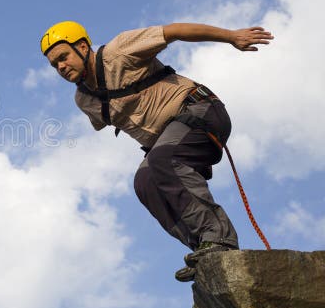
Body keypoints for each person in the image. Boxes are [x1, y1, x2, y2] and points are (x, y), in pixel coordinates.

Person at [40, 21, 273, 281]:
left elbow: (174, 31)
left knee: (163, 160)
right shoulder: (84, 100)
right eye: (54, 64)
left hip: (201, 111)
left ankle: (218, 236)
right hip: (173, 140)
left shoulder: (120, 51)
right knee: (145, 181)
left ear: (82, 47)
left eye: (63, 57)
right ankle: (204, 249)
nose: (60, 67)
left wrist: (231, 36)